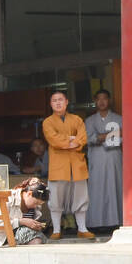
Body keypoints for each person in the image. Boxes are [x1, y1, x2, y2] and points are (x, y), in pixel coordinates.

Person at [41, 90, 94, 240]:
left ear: (66, 102)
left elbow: (83, 138)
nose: (57, 103)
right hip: (58, 165)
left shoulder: (77, 119)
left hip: (77, 164)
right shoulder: (48, 122)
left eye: (60, 100)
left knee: (81, 196)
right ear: (51, 104)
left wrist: (69, 142)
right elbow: (54, 140)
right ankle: (57, 229)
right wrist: (70, 140)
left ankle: (82, 228)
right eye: (54, 100)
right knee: (56, 197)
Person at [85, 89, 122, 231]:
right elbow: (89, 138)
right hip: (97, 158)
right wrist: (111, 135)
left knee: (115, 187)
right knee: (97, 189)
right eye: (98, 99)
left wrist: (101, 137)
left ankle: (116, 221)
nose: (102, 102)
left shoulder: (119, 119)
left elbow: (123, 137)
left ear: (110, 100)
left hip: (114, 158)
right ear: (95, 101)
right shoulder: (89, 121)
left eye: (104, 98)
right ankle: (96, 223)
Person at [6, 178, 50, 245]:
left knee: (39, 239)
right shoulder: (9, 198)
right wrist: (21, 221)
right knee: (37, 240)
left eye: (39, 204)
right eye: (35, 203)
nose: (36, 206)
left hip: (28, 236)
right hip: (7, 236)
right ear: (29, 194)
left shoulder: (34, 206)